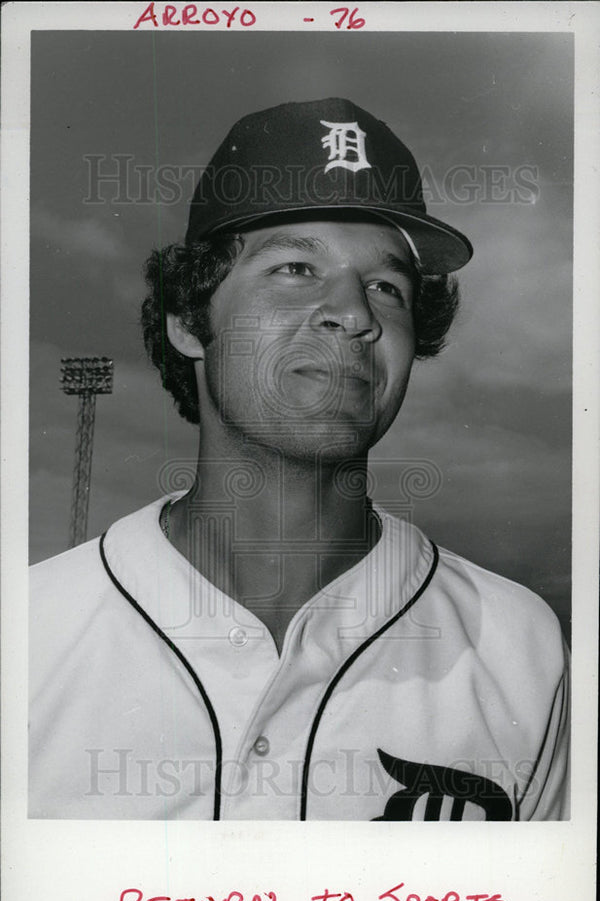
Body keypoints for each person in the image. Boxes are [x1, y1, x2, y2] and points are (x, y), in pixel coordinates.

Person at [29, 97, 569, 821]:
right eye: (294, 267)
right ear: (192, 321)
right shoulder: (28, 634)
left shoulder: (519, 647)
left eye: (387, 287)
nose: (355, 314)